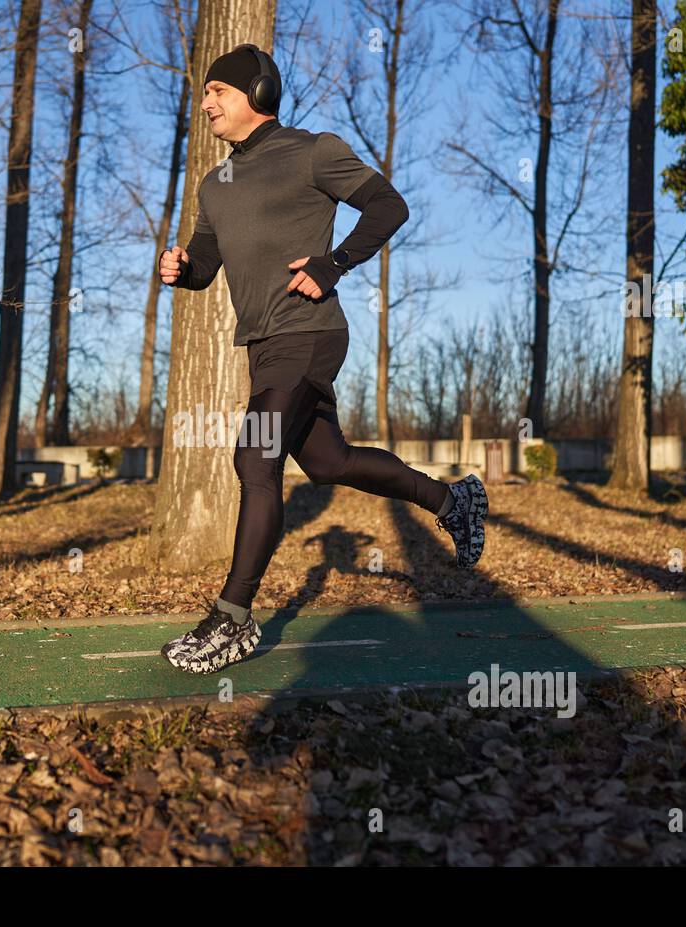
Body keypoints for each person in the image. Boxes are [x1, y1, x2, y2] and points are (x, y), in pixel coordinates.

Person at [156, 44, 487, 675]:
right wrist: (182, 269)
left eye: (217, 93)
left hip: (307, 333)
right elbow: (205, 262)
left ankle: (233, 619)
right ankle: (454, 502)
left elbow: (390, 207)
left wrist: (334, 264)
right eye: (204, 94)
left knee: (255, 454)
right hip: (264, 345)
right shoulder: (214, 183)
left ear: (255, 93)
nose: (205, 105)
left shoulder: (313, 150)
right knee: (329, 462)